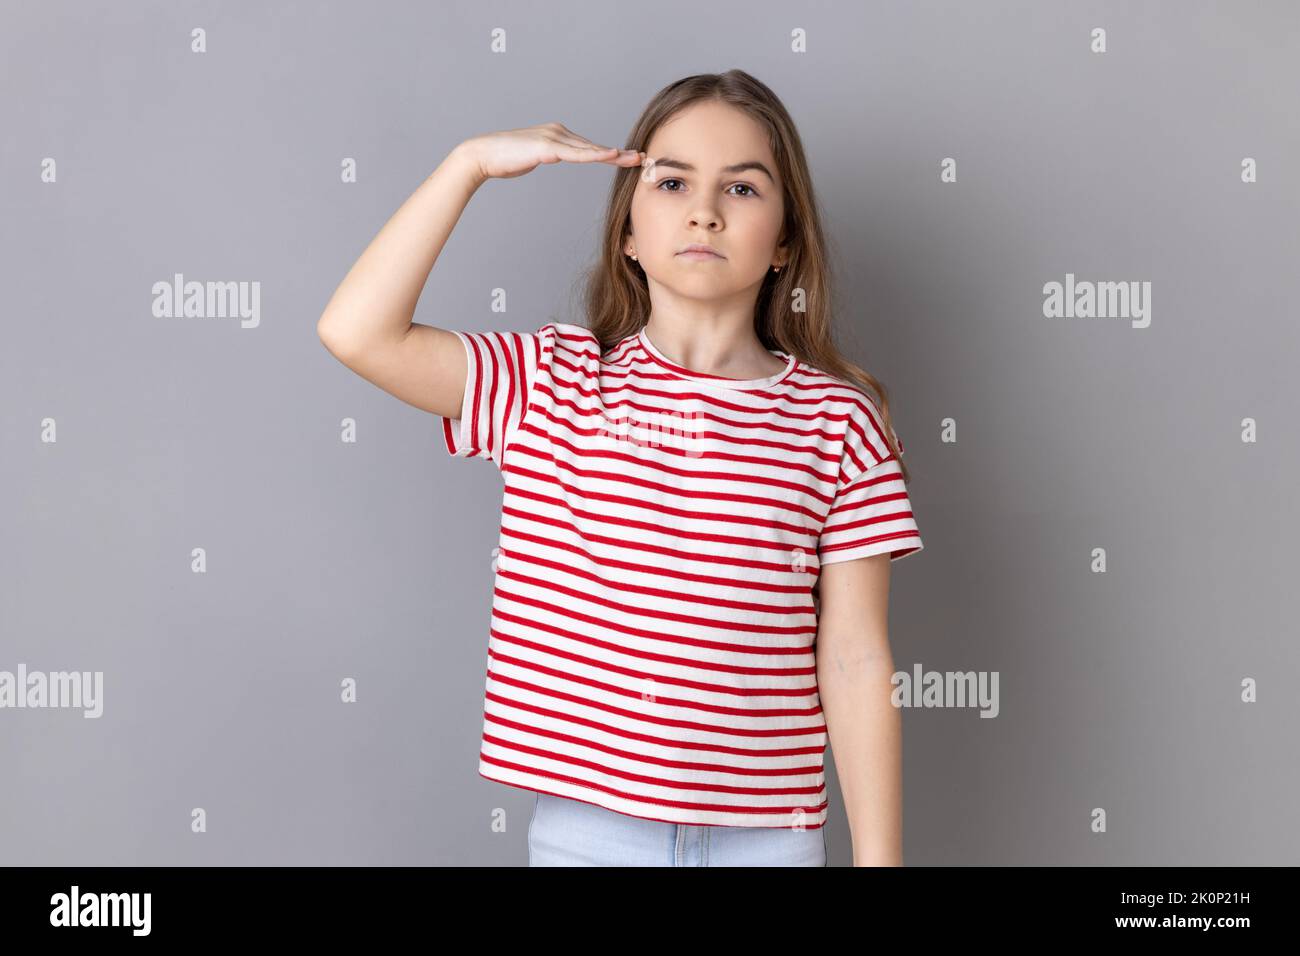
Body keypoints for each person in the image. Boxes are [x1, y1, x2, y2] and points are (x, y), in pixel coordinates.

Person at [317, 69, 923, 867]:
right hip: (590, 836)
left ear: (784, 241)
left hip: (772, 840)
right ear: (628, 233)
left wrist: (880, 863)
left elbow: (852, 656)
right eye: (672, 182)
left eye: (741, 189)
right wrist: (466, 165)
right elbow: (357, 331)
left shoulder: (838, 421)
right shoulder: (551, 381)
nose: (704, 210)